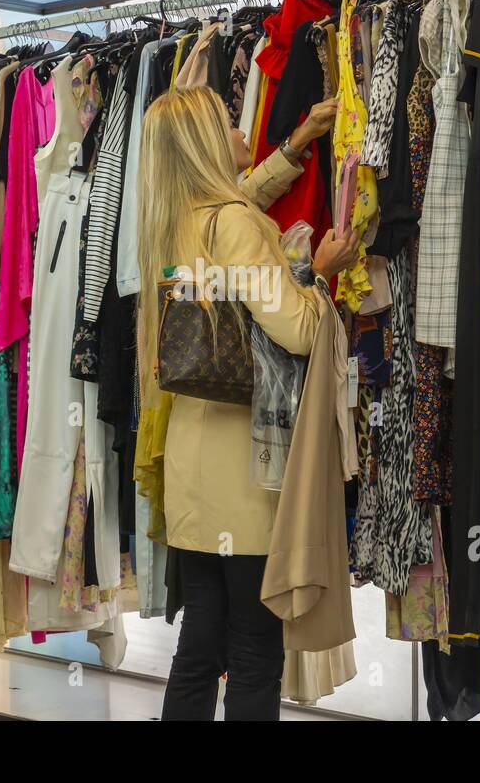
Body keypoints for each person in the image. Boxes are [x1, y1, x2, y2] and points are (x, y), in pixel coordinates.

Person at [137, 87, 357, 721]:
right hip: (245, 474)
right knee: (255, 650)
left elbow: (241, 208)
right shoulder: (230, 224)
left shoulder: (177, 217)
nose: (243, 127)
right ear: (208, 142)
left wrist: (297, 146)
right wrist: (319, 270)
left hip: (193, 473)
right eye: (229, 121)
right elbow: (297, 330)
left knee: (200, 644)